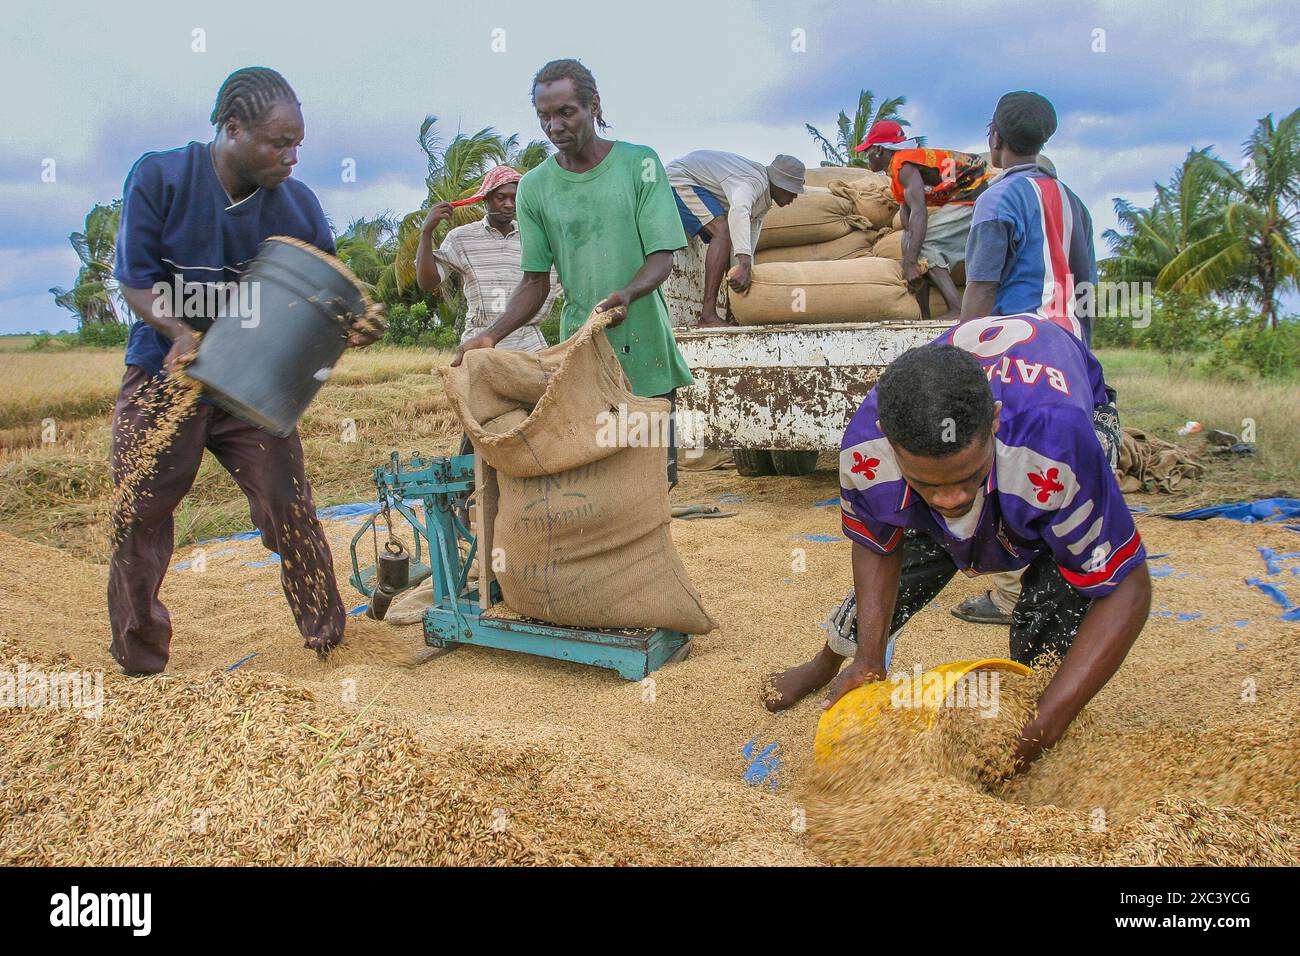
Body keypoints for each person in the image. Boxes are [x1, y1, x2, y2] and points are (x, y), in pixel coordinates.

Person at [764, 313, 1150, 775]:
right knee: (921, 549)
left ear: (994, 421)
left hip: (1066, 418)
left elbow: (1127, 588)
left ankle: (1038, 702)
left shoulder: (1057, 441)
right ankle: (830, 659)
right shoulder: (866, 449)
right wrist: (869, 658)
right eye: (928, 483)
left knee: (1061, 574)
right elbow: (877, 544)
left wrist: (1041, 728)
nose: (952, 500)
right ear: (888, 440)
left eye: (967, 478)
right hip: (974, 440)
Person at [110, 67, 384, 675]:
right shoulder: (162, 178)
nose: (291, 158)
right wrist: (179, 333)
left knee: (288, 503)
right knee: (141, 512)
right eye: (278, 144)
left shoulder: (297, 204)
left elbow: (326, 295)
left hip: (252, 381)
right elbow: (135, 279)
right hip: (167, 375)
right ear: (232, 129)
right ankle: (140, 658)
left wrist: (354, 322)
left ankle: (327, 638)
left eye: (298, 146)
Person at [452, 58, 694, 486]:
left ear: (593, 105)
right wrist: (491, 335)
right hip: (580, 354)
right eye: (544, 116)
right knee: (594, 484)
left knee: (653, 483)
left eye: (566, 112)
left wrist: (627, 293)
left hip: (645, 344)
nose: (554, 126)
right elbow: (534, 282)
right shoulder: (535, 187)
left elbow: (661, 259)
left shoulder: (641, 165)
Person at [953, 91, 1113, 626]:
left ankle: (1007, 597)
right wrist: (1084, 360)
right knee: (1062, 466)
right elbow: (1087, 287)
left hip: (1018, 351)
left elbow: (980, 289)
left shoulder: (995, 201)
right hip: (1067, 349)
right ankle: (1077, 579)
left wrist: (961, 359)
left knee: (1009, 466)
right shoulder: (1073, 201)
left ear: (994, 137)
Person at [414, 164, 560, 352]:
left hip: (529, 344)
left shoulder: (535, 236)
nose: (509, 204)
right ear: (486, 198)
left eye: (515, 198)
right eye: (501, 197)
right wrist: (426, 232)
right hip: (479, 344)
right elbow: (427, 282)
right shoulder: (461, 238)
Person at [857, 120, 993, 320]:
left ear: (878, 150)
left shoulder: (904, 165)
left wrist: (912, 262)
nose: (865, 156)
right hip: (962, 195)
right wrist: (907, 260)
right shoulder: (897, 169)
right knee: (913, 244)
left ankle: (957, 309)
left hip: (972, 192)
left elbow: (919, 212)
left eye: (866, 151)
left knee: (926, 242)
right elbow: (907, 218)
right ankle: (923, 314)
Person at [664, 149, 804, 327]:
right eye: (793, 190)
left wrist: (745, 269)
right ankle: (707, 315)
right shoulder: (754, 181)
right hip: (678, 180)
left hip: (698, 186)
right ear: (781, 183)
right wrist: (744, 265)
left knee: (729, 237)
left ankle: (730, 314)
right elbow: (738, 211)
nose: (795, 196)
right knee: (722, 231)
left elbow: (746, 240)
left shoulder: (764, 201)